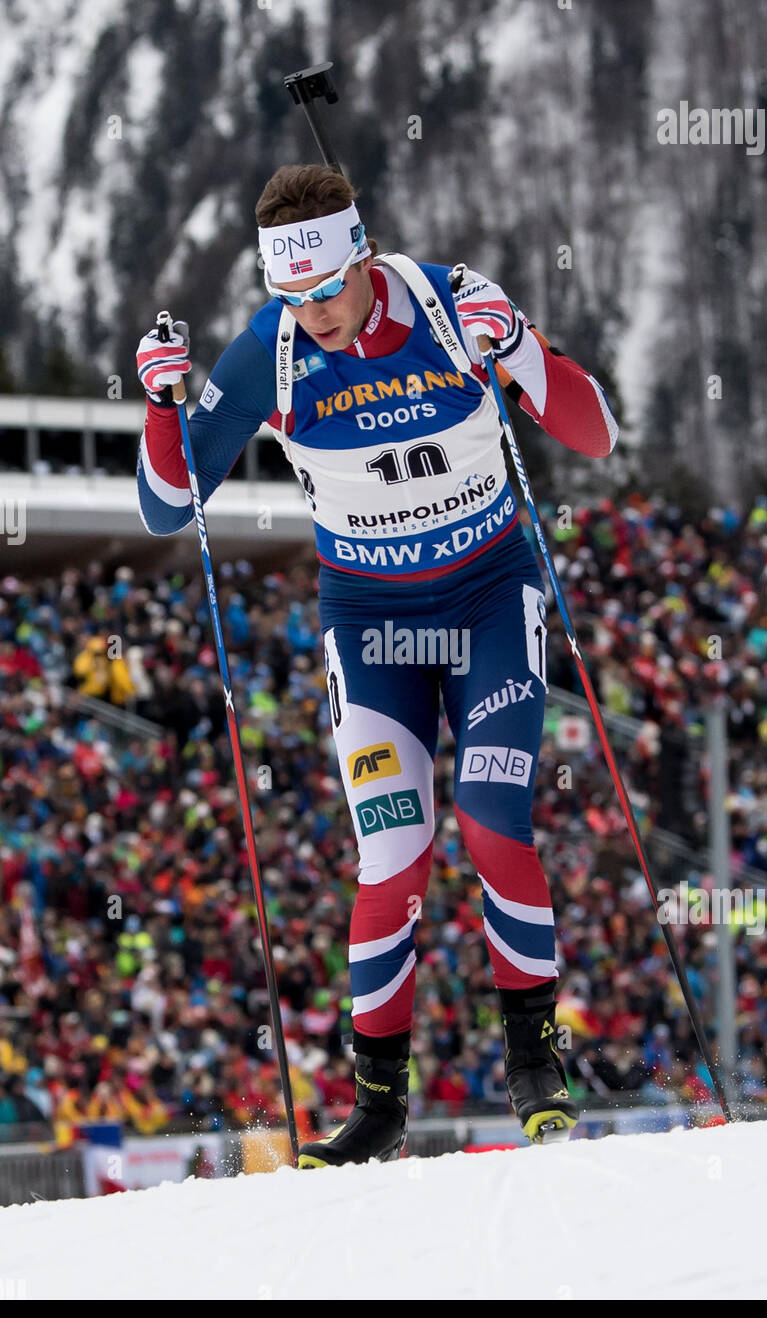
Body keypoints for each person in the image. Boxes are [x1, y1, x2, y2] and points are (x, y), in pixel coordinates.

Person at [136, 163, 618, 1167]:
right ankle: (376, 1109)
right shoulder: (271, 351)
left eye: (326, 291)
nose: (312, 316)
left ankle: (535, 1067)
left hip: (490, 598)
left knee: (491, 823)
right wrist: (158, 406)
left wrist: (522, 347)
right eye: (290, 297)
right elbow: (165, 505)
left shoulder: (449, 310)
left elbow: (595, 435)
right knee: (393, 857)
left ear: (362, 257)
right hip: (368, 622)